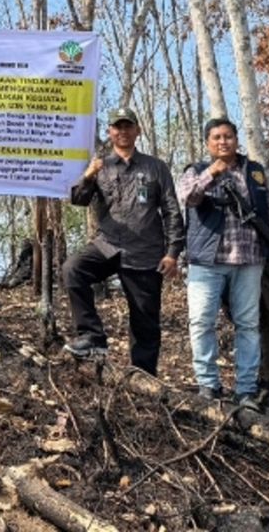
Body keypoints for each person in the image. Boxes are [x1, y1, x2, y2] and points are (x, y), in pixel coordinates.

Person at [61, 108, 185, 374]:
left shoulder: (155, 167)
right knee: (73, 269)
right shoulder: (101, 165)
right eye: (117, 127)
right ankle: (92, 336)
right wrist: (89, 174)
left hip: (145, 251)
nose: (123, 132)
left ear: (137, 131)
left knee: (145, 321)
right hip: (108, 245)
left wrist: (173, 252)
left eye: (128, 126)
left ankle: (143, 377)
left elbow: (171, 209)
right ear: (110, 132)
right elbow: (79, 200)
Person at [178, 118, 269, 410]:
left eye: (228, 136)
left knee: (247, 324)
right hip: (207, 260)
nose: (223, 142)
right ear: (208, 143)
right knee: (201, 322)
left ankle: (245, 390)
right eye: (216, 137)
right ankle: (208, 385)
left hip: (249, 259)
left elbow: (266, 211)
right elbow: (188, 198)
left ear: (236, 139)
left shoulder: (254, 171)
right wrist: (211, 174)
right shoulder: (195, 170)